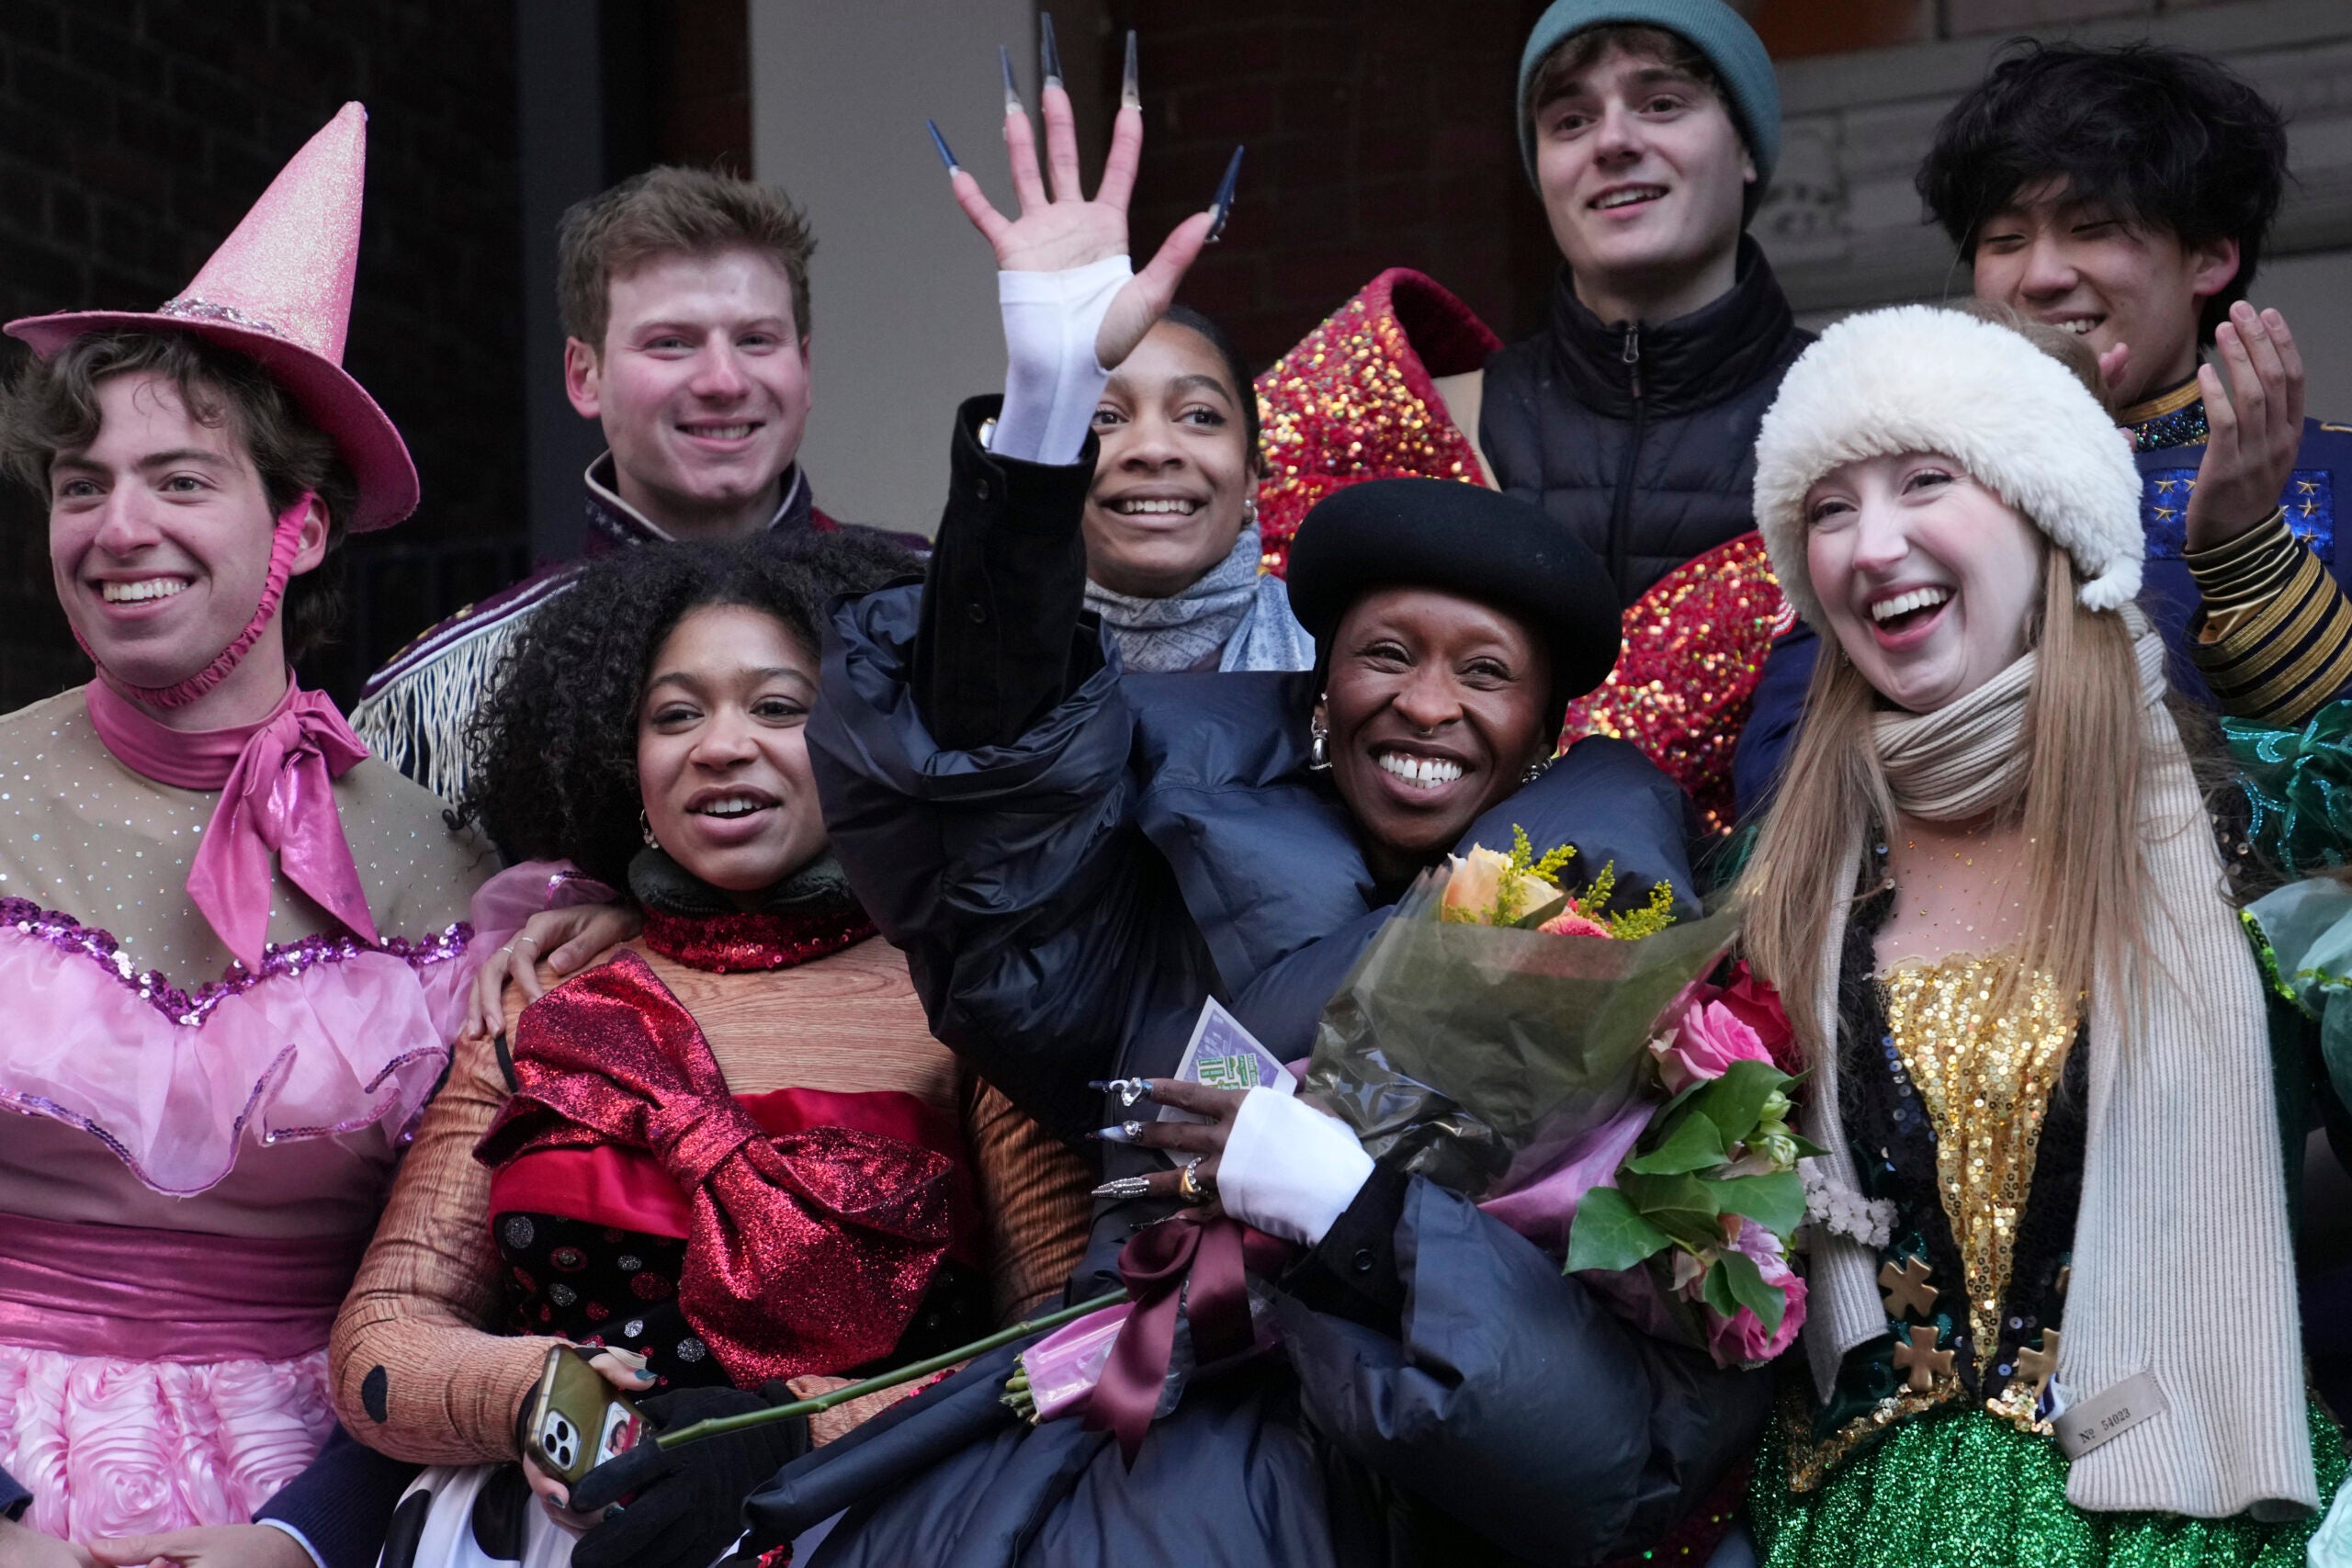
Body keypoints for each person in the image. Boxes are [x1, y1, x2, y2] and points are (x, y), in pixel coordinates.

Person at [722, 41, 1766, 1566]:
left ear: (1550, 736)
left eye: (1485, 673)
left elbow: (1616, 1455)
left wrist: (1360, 1215)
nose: (1426, 704)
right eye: (1385, 656)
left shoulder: (1646, 971)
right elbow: (982, 808)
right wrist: (1041, 422)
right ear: (1313, 685)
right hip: (1140, 1463)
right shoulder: (1155, 871)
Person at [0, 106, 560, 1568]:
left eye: (181, 478)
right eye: (81, 485)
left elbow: (464, 1286)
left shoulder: (444, 869)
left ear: (301, 529)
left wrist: (302, 1538)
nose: (119, 526)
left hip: (309, 1505)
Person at [329, 533, 1092, 1568]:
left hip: (880, 1530)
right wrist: (536, 1395)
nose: (721, 745)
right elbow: (383, 1333)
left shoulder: (973, 1004)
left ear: (867, 740)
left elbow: (1067, 1345)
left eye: (778, 707)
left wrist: (787, 1434)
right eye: (676, 714)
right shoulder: (543, 1001)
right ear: (625, 759)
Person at [1735, 299, 2345, 1562]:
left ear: (2048, 511)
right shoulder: (1780, 879)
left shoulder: (2239, 833)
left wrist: (2246, 568)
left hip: (2191, 1521)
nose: (1871, 543)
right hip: (1844, 1525)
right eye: (1829, 508)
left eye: (1925, 480)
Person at [1736, 40, 2352, 814]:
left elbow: (2334, 799)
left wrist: (2246, 555)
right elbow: (1781, 783)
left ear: (2209, 256)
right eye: (2005, 241)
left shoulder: (2335, 472)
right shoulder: (1892, 489)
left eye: (2093, 227)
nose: (2042, 276)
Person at [1250, 0, 1806, 829]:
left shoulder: (1866, 430)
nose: (1613, 141)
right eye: (1570, 119)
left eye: (1661, 103)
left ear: (1749, 147)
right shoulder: (1391, 416)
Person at [352, 165, 922, 804]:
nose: (725, 380)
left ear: (805, 367)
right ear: (584, 375)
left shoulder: (933, 609)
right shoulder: (450, 694)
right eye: (672, 343)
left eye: (756, 339)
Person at [1072, 300, 1310, 673]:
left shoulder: (1333, 661)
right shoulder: (984, 662)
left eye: (1199, 416)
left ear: (1250, 474)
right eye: (1104, 416)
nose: (1154, 449)